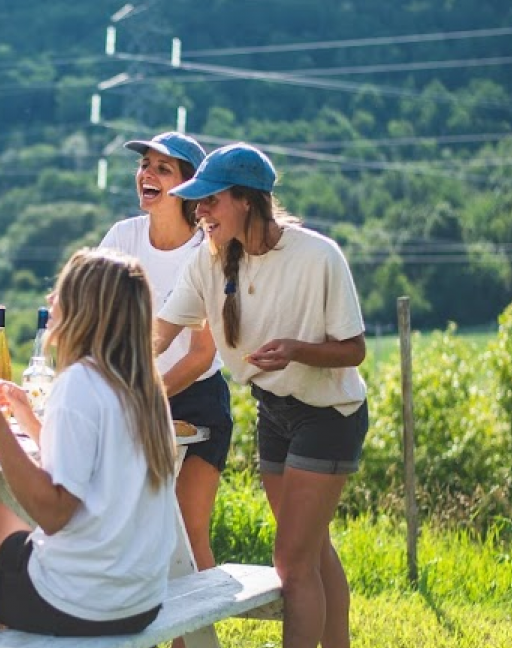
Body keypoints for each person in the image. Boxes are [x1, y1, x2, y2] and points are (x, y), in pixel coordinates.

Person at [156, 143, 369, 648]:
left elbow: (355, 349)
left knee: (291, 563)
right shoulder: (207, 263)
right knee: (312, 553)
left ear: (246, 200)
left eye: (210, 201)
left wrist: (296, 350)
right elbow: (158, 334)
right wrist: (112, 373)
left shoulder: (318, 256)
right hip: (273, 412)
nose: (199, 212)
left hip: (328, 415)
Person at [0, 248, 180, 640]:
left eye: (60, 293)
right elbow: (88, 468)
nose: (50, 301)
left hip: (77, 600)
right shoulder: (144, 389)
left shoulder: (80, 383)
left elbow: (54, 513)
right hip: (138, 601)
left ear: (85, 310)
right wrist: (27, 417)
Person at [99, 131, 234, 576]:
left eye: (163, 168)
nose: (147, 174)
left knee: (187, 536)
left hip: (197, 401)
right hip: (133, 395)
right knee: (121, 530)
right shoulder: (122, 236)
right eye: (145, 165)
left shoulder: (210, 251)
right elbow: (92, 312)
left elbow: (199, 355)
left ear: (188, 187)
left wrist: (144, 396)